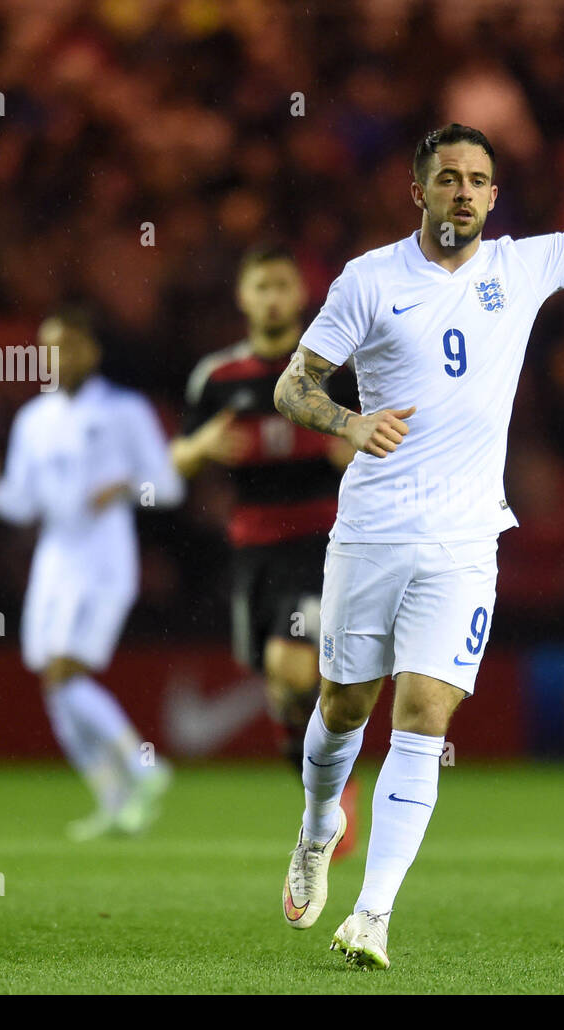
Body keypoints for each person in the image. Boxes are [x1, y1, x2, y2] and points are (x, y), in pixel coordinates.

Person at [272, 54, 564, 968]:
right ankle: (317, 824)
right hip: (371, 528)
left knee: (425, 711)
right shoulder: (368, 280)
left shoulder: (521, 269)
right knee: (341, 706)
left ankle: (372, 915)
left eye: (480, 181)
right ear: (417, 187)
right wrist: (348, 420)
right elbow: (295, 386)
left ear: (495, 197)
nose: (463, 192)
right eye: (447, 176)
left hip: (463, 537)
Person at [0, 307, 209, 840]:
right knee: (54, 687)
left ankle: (143, 764)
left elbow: (168, 487)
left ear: (92, 352)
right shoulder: (33, 419)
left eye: (69, 346)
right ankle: (116, 799)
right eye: (49, 347)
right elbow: (25, 505)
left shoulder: (125, 410)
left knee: (64, 674)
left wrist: (123, 488)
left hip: (105, 558)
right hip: (54, 559)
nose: (58, 358)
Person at [173, 246, 362, 858]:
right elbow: (171, 464)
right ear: (244, 297)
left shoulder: (334, 371)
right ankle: (326, 793)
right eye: (262, 286)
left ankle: (334, 798)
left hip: (322, 544)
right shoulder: (217, 379)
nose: (273, 297)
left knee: (290, 663)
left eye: (283, 284)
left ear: (299, 295)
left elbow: (391, 434)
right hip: (253, 553)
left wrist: (356, 444)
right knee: (282, 691)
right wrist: (200, 447)